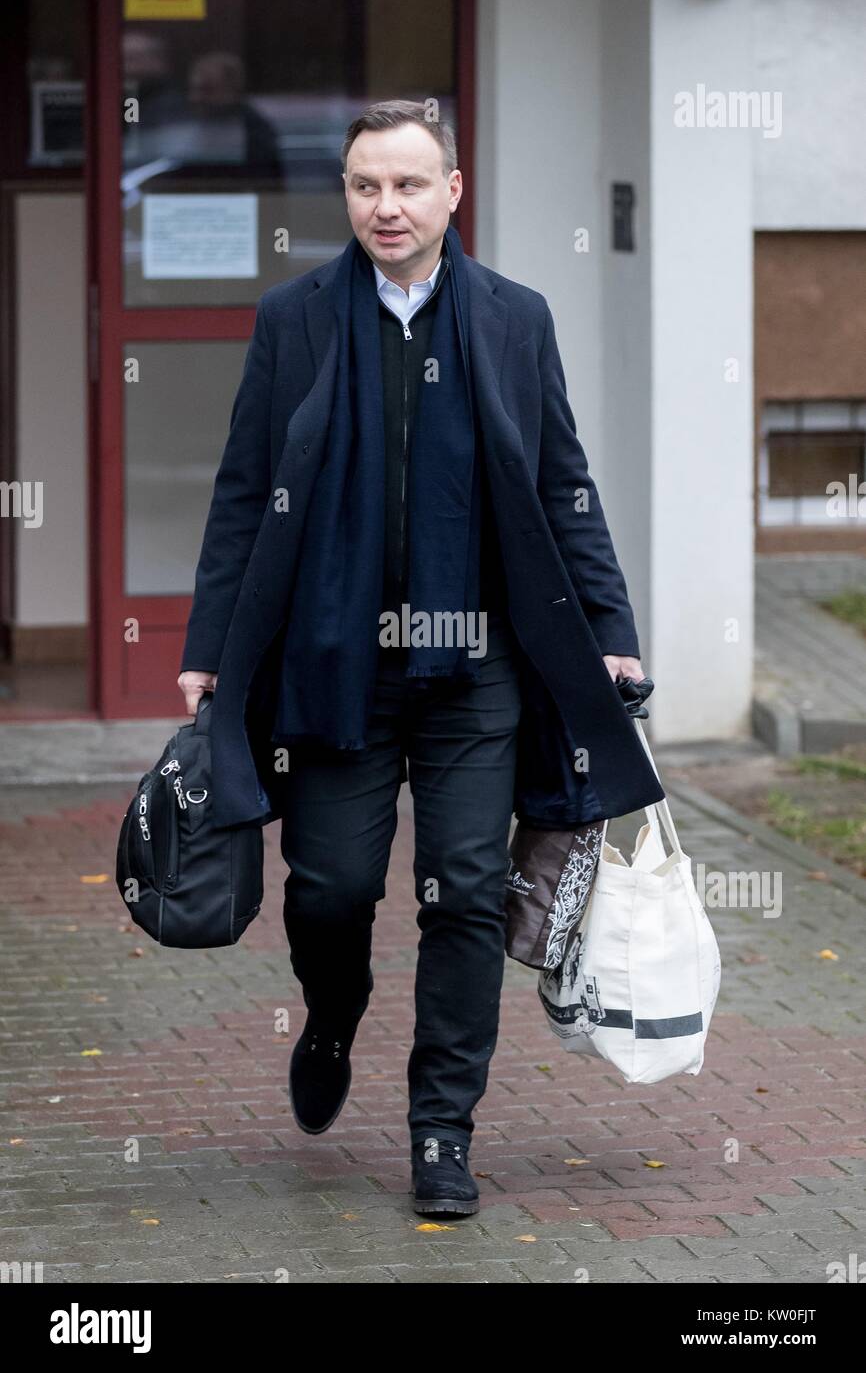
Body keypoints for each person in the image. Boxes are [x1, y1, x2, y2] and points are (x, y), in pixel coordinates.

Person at [177, 99, 664, 1218]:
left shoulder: (511, 319)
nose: (383, 207)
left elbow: (560, 486)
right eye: (363, 187)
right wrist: (210, 647)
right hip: (334, 665)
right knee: (332, 890)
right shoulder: (294, 320)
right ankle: (334, 1014)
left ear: (451, 192)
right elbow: (245, 490)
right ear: (344, 197)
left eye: (406, 185)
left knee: (462, 898)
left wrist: (609, 628)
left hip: (475, 670)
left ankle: (441, 1130)